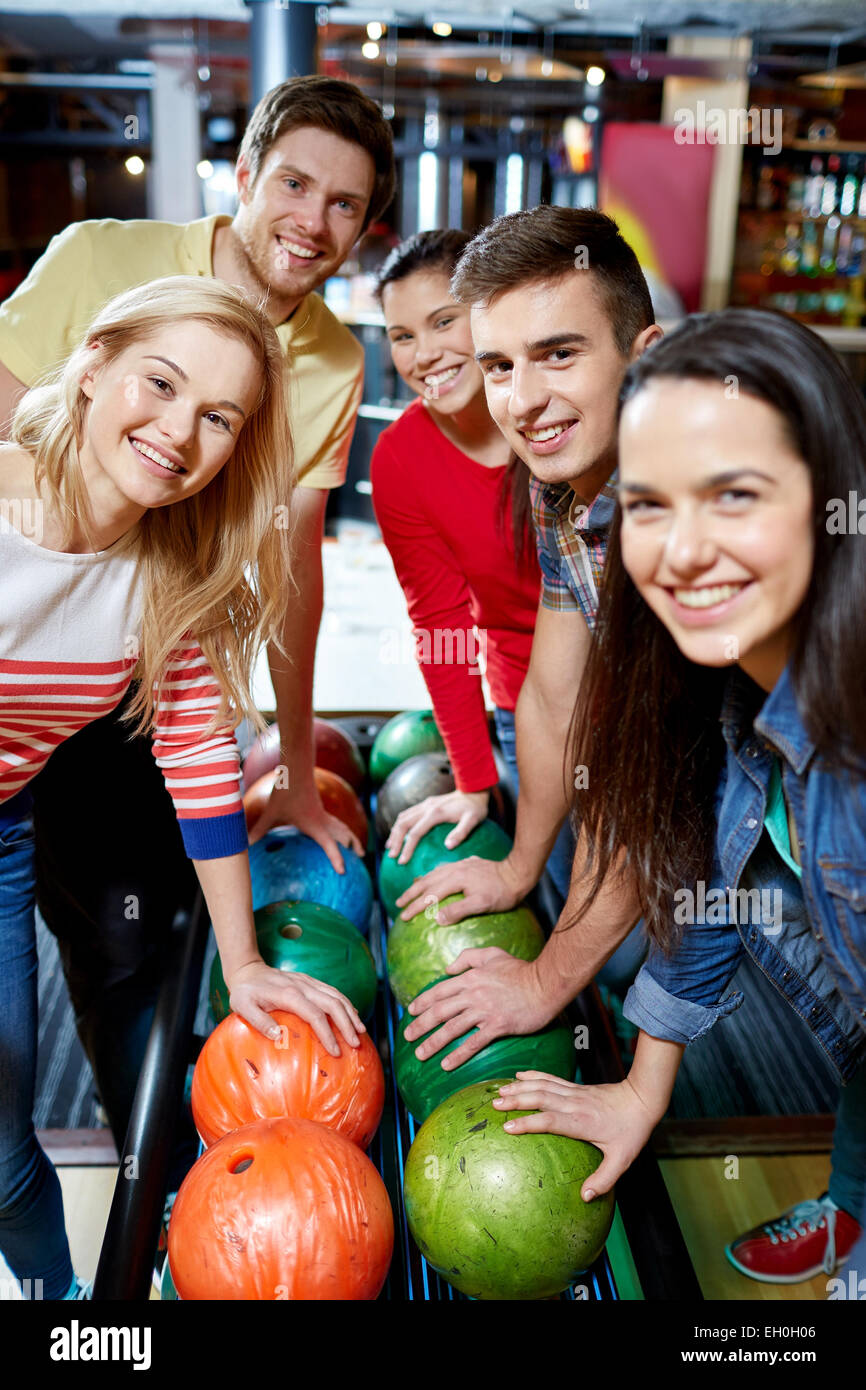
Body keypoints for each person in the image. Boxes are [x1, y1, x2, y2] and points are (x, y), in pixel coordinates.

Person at [0, 75, 395, 1155]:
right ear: (245, 173)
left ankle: (178, 1152)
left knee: (151, 921)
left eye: (345, 205)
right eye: (295, 182)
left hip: (147, 650)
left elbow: (292, 564)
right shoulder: (99, 261)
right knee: (94, 926)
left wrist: (299, 763)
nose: (312, 223)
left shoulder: (331, 359)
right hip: (45, 627)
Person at [0, 276, 365, 1300]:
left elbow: (200, 761)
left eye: (217, 417)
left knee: (0, 1146)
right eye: (157, 384)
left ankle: (63, 1302)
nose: (176, 432)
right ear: (93, 366)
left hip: (5, 824)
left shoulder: (168, 571)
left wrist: (242, 966)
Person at [494, 309, 866, 1285]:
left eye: (732, 495)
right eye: (650, 505)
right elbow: (697, 873)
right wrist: (640, 1087)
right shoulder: (725, 684)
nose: (681, 551)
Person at [398, 207, 659, 1072]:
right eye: (499, 366)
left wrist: (545, 983)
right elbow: (550, 696)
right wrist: (517, 866)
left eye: (559, 353)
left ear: (644, 355)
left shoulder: (674, 518)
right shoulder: (564, 494)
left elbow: (648, 797)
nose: (524, 400)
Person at [369, 228, 574, 900]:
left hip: (629, 685)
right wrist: (472, 779)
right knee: (562, 893)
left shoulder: (552, 418)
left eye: (442, 322)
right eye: (401, 335)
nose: (423, 354)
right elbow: (441, 626)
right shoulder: (401, 461)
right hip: (527, 700)